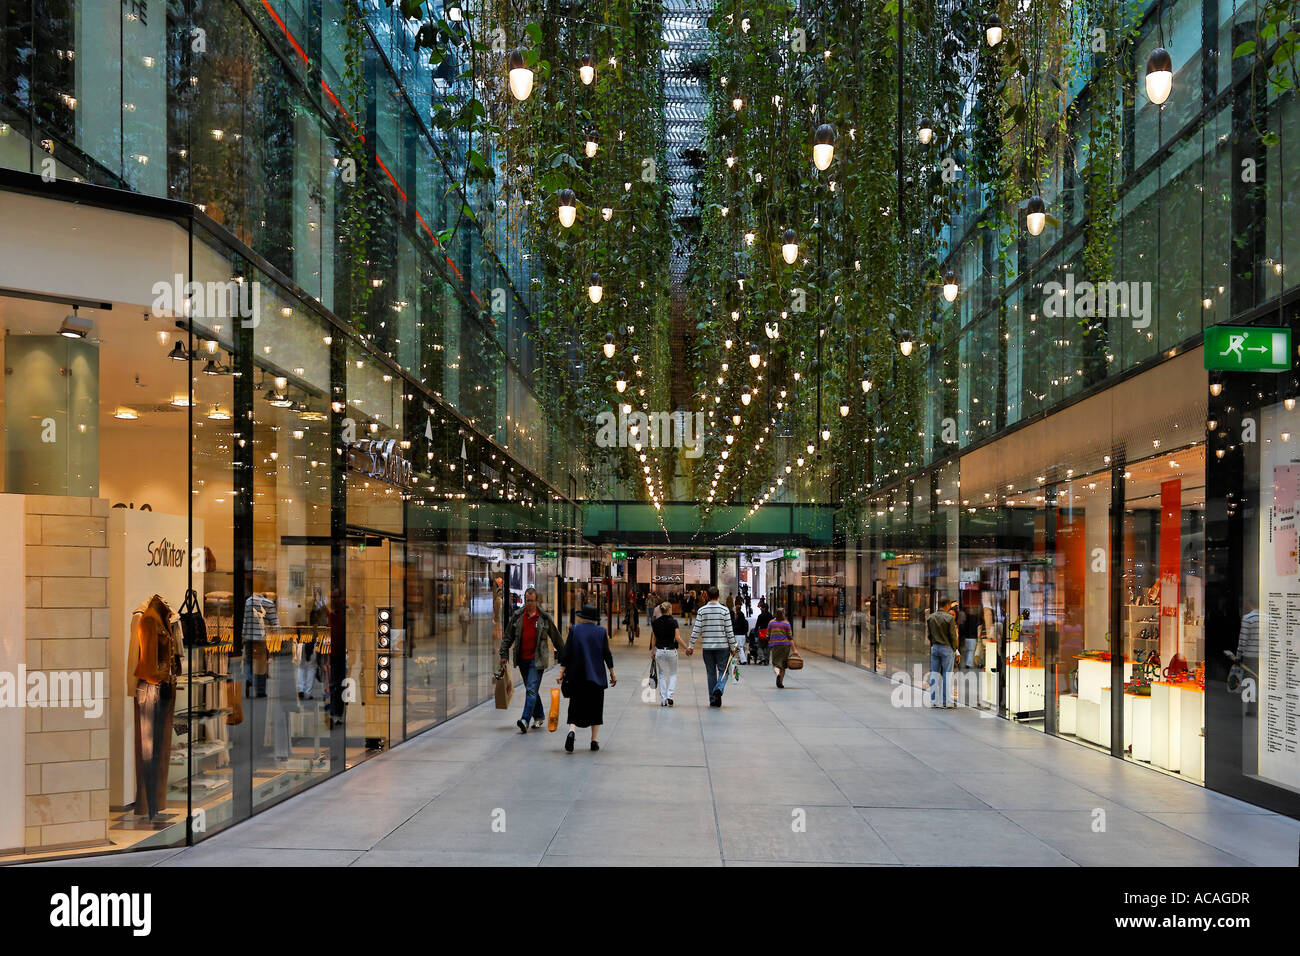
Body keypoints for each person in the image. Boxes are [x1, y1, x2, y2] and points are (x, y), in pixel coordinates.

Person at [498, 586, 563, 734]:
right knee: (531, 689)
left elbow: (556, 638)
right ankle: (539, 716)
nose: (529, 603)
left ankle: (525, 720)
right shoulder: (518, 616)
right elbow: (508, 637)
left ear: (537, 600)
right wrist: (503, 654)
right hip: (522, 660)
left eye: (532, 601)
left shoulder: (544, 618)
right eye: (527, 600)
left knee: (531, 690)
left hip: (537, 660)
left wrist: (565, 658)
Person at [557, 604, 616, 751]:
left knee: (575, 705)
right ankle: (594, 740)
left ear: (582, 617)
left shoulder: (574, 630)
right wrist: (612, 673)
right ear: (595, 619)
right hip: (596, 676)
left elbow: (566, 653)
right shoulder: (601, 632)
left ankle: (572, 731)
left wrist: (561, 673)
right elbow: (606, 654)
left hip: (576, 676)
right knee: (596, 707)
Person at [687, 585, 739, 707]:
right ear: (718, 595)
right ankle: (719, 689)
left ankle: (713, 700)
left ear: (707, 596)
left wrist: (691, 646)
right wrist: (733, 647)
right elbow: (729, 631)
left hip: (707, 648)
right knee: (724, 671)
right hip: (722, 647)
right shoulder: (725, 610)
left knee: (710, 673)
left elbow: (696, 629)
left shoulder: (701, 611)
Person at [926, 599, 961, 708]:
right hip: (946, 648)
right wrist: (954, 649)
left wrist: (934, 643)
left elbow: (929, 635)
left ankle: (934, 701)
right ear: (946, 605)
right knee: (947, 675)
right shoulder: (949, 618)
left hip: (935, 647)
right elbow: (952, 636)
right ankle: (946, 702)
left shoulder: (930, 617)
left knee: (934, 674)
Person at [651, 601, 683, 706]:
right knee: (673, 674)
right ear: (669, 610)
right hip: (671, 650)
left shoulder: (655, 622)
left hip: (659, 651)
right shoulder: (674, 622)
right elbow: (677, 638)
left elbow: (654, 638)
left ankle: (663, 699)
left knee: (662, 675)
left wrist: (653, 651)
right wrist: (687, 648)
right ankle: (670, 695)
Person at [766, 607, 797, 688]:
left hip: (775, 646)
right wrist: (794, 650)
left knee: (776, 664)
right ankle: (781, 682)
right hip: (785, 646)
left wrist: (770, 640)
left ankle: (778, 675)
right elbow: (790, 637)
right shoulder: (786, 623)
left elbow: (767, 635)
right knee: (783, 665)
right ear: (783, 614)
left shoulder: (771, 622)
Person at [730, 596, 750, 664]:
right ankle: (741, 659)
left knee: (739, 648)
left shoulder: (735, 622)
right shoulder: (745, 621)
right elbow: (746, 628)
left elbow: (733, 628)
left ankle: (743, 660)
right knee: (742, 648)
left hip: (737, 635)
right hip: (743, 635)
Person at [754, 600, 774, 666]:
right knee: (768, 647)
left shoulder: (760, 616)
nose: (760, 609)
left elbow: (757, 625)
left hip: (762, 633)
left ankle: (762, 658)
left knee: (760, 646)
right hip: (769, 633)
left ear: (764, 608)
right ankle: (767, 660)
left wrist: (755, 633)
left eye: (761, 608)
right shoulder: (771, 616)